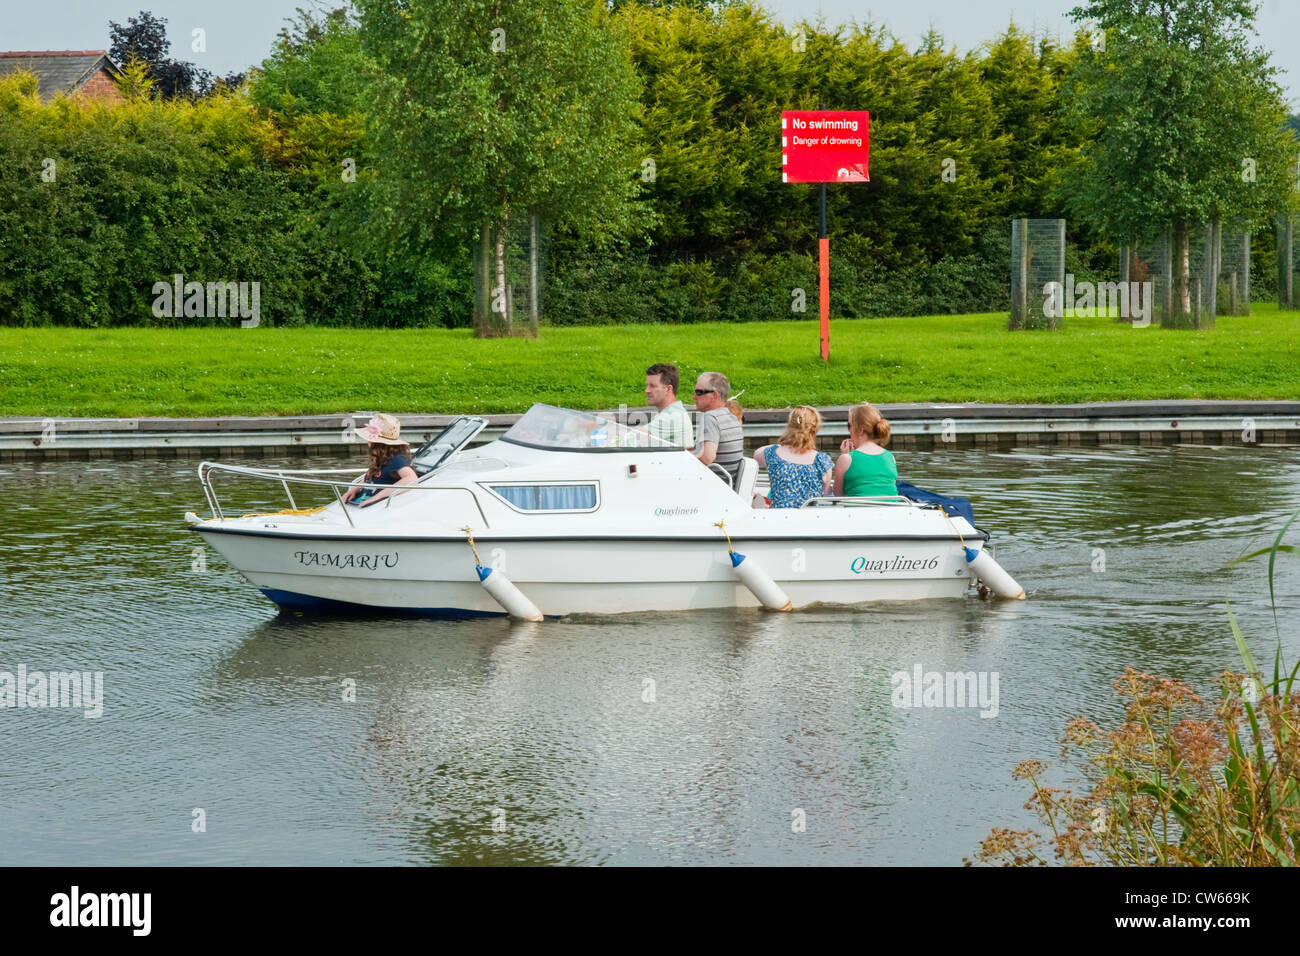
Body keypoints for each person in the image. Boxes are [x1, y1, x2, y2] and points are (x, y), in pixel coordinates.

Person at [755, 406, 833, 508]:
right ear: (815, 430)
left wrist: (779, 446)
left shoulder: (773, 454)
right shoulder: (823, 461)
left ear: (789, 426)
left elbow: (756, 453)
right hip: (810, 520)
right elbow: (824, 497)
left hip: (777, 519)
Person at [341, 413, 418, 507]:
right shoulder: (380, 458)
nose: (367, 442)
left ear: (376, 443)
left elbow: (411, 478)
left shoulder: (397, 459)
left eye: (369, 439)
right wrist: (354, 490)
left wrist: (377, 498)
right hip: (362, 500)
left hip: (375, 505)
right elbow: (369, 478)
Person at [833, 403, 898, 498]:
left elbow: (838, 494)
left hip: (858, 510)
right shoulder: (890, 457)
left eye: (849, 425)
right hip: (893, 508)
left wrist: (844, 455)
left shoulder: (846, 459)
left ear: (860, 430)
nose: (849, 430)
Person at [692, 371, 743, 484]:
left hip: (714, 487)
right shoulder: (733, 417)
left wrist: (683, 455)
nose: (694, 396)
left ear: (714, 395)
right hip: (730, 484)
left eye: (699, 392)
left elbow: (707, 458)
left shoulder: (710, 417)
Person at [644, 363, 693, 447]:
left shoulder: (671, 416)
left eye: (652, 386)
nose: (647, 390)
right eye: (647, 385)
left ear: (669, 389)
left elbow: (631, 438)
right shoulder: (674, 411)